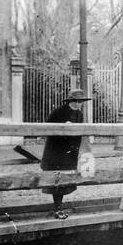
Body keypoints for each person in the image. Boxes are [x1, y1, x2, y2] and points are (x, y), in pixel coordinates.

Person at [42, 90, 93, 219]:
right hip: (56, 151)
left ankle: (58, 207)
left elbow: (80, 132)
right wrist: (62, 127)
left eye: (80, 102)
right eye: (76, 101)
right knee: (56, 180)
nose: (78, 104)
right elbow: (47, 126)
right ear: (70, 101)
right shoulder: (59, 112)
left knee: (65, 181)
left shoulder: (79, 115)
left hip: (69, 151)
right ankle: (57, 208)